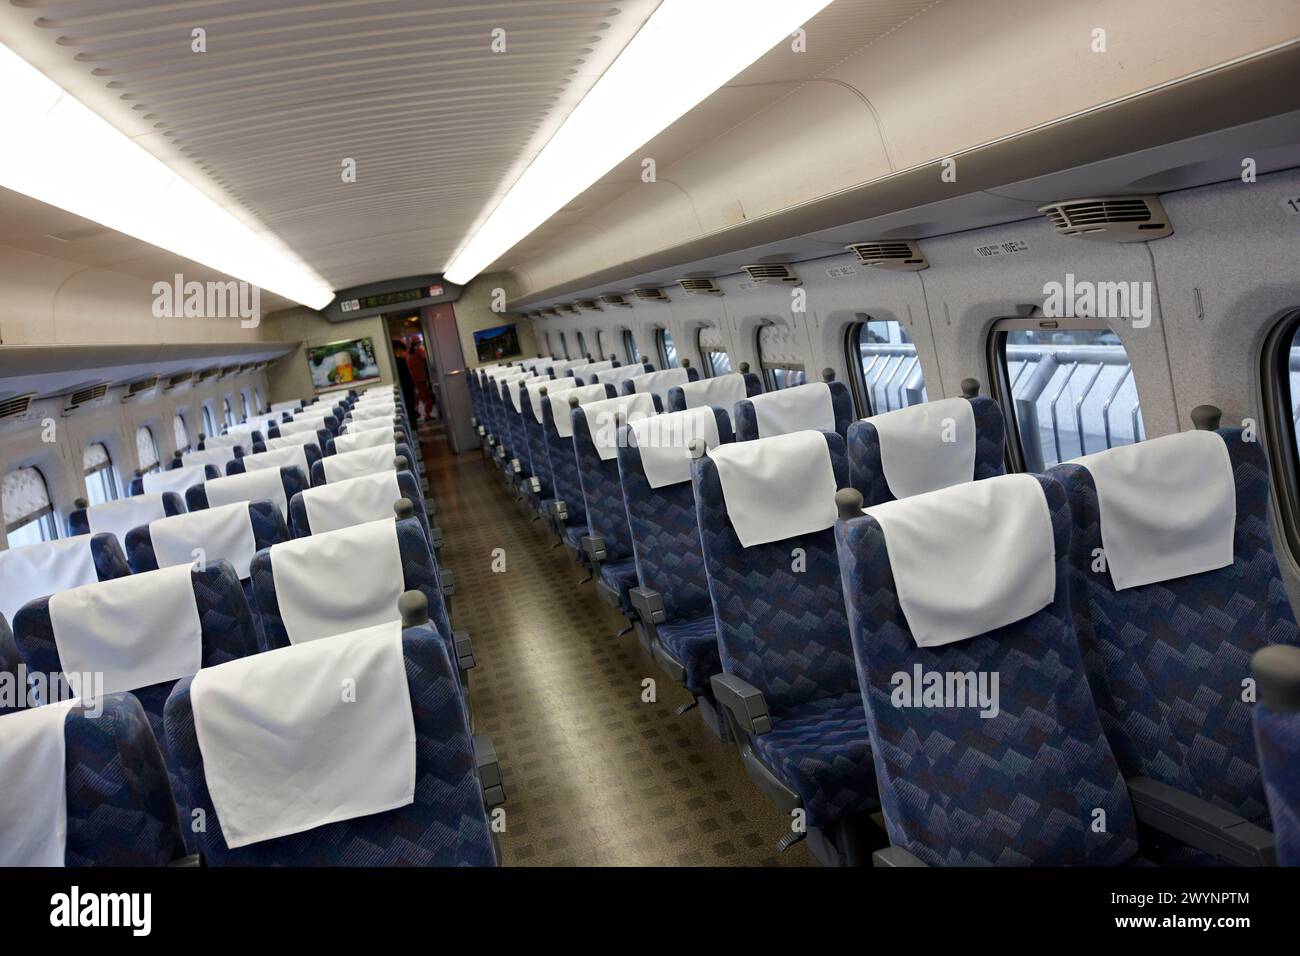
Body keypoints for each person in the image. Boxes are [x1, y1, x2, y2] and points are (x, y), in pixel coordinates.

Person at [407, 335, 435, 422]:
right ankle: (427, 414)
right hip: (422, 378)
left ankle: (417, 411)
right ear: (417, 343)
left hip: (414, 379)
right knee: (427, 398)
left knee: (418, 397)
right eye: (419, 342)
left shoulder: (408, 353)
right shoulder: (420, 351)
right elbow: (426, 361)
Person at [392, 339, 417, 416]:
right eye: (401, 350)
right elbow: (407, 376)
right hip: (407, 388)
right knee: (410, 407)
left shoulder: (392, 362)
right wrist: (413, 387)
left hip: (401, 388)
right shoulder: (401, 361)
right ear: (398, 349)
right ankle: (413, 426)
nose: (402, 352)